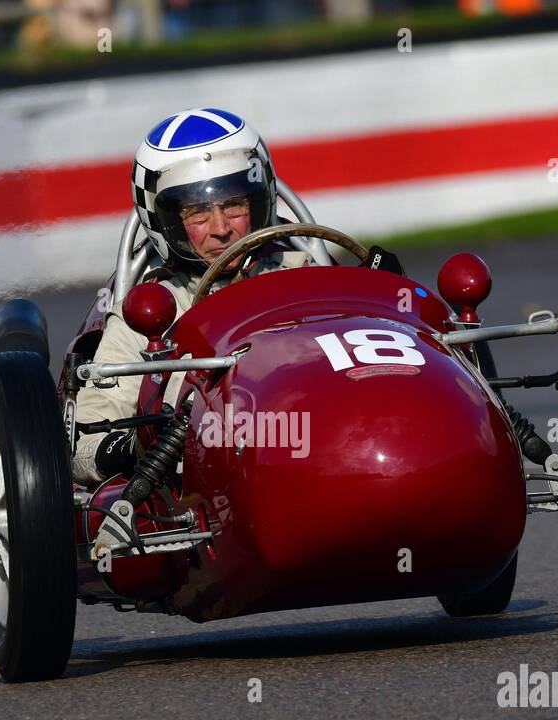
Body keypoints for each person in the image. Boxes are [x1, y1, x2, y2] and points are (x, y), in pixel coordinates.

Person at [71, 107, 402, 487]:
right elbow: (87, 440)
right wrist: (137, 449)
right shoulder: (146, 312)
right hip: (207, 495)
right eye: (197, 214)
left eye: (234, 205)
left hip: (334, 462)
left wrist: (382, 296)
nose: (222, 229)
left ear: (259, 202)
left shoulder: (309, 275)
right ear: (166, 222)